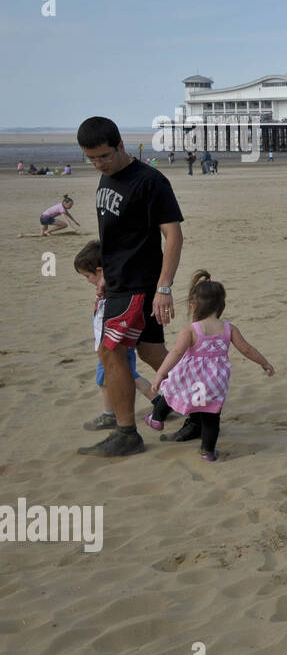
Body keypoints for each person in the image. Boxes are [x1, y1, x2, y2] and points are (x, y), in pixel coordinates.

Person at [74, 116, 184, 457]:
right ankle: (200, 400)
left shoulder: (150, 181)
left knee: (110, 351)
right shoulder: (106, 180)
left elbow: (174, 235)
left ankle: (126, 433)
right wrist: (105, 271)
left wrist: (164, 287)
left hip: (138, 284)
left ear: (121, 145)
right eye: (91, 158)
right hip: (119, 280)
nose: (98, 164)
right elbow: (113, 233)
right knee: (151, 351)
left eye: (104, 156)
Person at [146, 270, 274, 461]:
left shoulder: (191, 330)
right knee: (211, 417)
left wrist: (160, 374)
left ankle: (157, 419)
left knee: (171, 391)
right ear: (221, 306)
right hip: (214, 383)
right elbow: (246, 349)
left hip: (190, 380)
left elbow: (175, 353)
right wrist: (264, 362)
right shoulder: (229, 329)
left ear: (193, 305)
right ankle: (208, 452)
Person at [74, 239, 161, 430]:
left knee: (118, 378)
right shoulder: (108, 289)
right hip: (109, 345)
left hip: (113, 346)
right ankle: (158, 402)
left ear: (99, 271)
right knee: (124, 377)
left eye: (87, 276)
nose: (87, 281)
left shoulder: (115, 292)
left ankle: (111, 415)